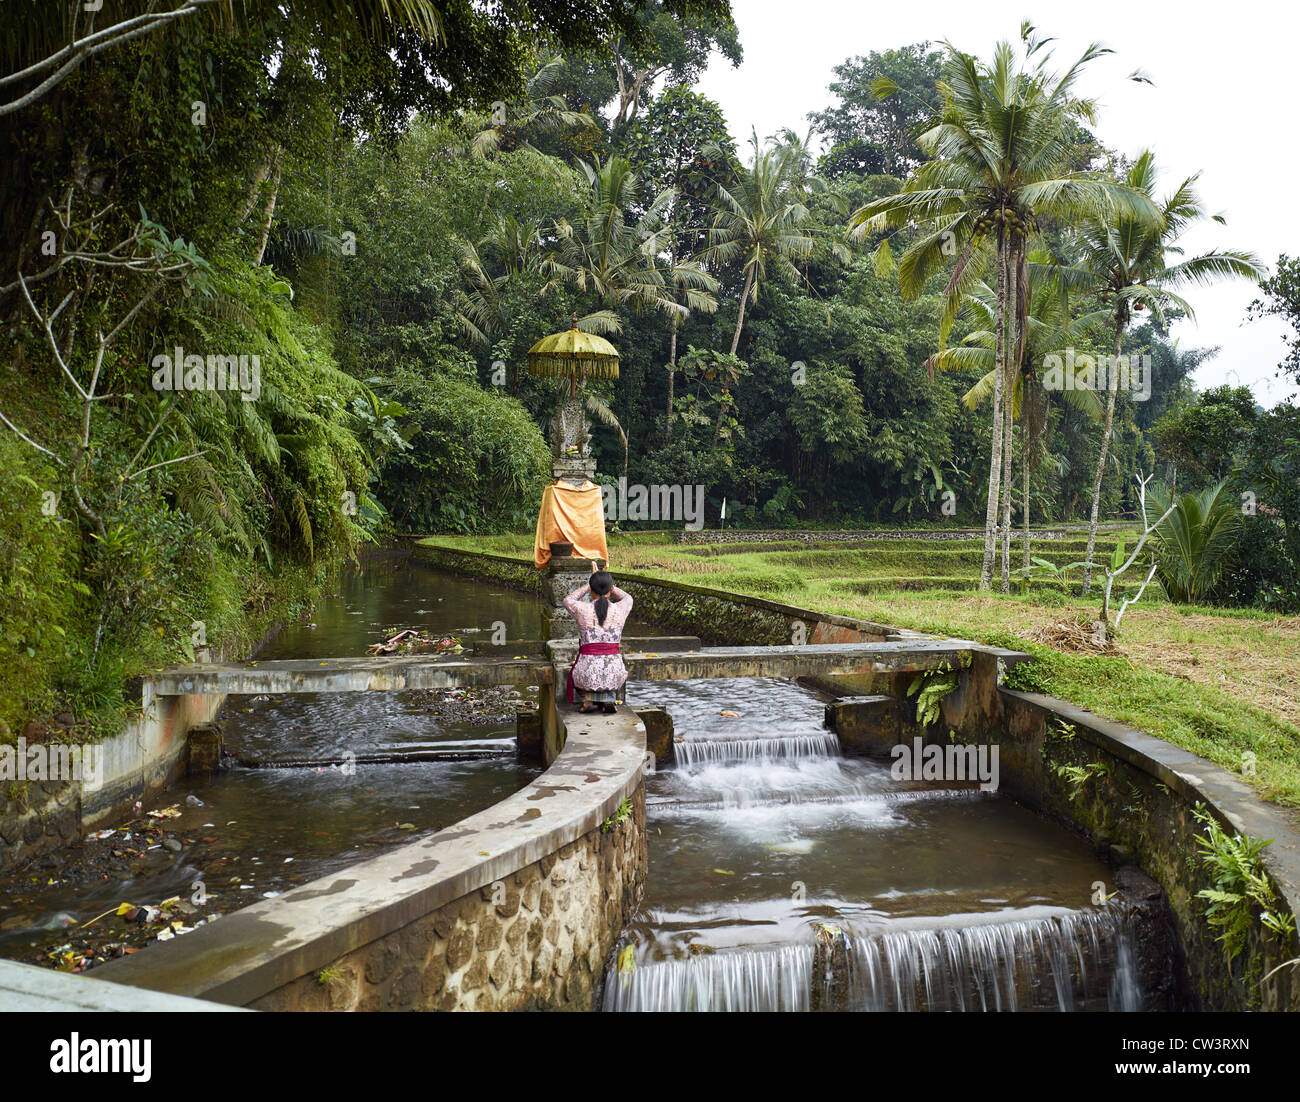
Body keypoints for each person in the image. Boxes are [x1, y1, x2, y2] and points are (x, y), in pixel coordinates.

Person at [562, 561, 633, 714]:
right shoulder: (621, 608)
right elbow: (628, 597)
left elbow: (567, 600)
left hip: (586, 672)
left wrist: (590, 583)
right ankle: (608, 698)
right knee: (606, 672)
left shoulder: (583, 609)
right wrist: (610, 586)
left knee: (587, 671)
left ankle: (588, 700)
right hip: (615, 672)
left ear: (591, 590)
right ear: (610, 589)